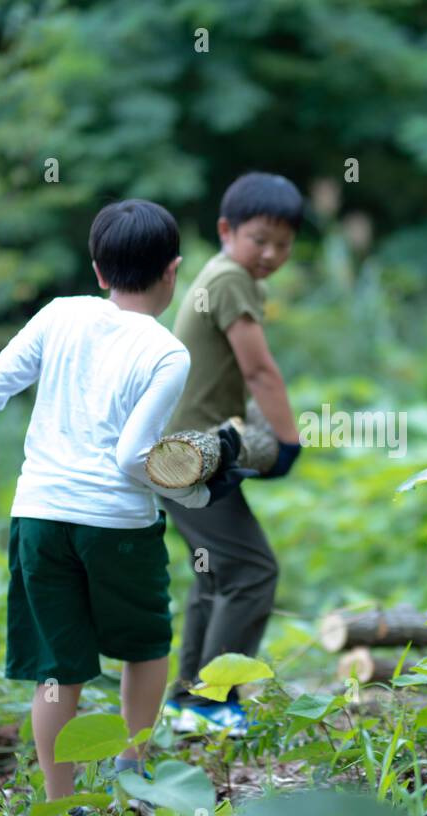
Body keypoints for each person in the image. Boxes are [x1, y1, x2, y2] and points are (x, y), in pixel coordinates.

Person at [0, 199, 250, 816]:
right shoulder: (166, 353)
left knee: (59, 670)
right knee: (145, 647)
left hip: (39, 519)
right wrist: (198, 490)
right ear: (173, 272)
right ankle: (134, 769)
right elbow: (133, 461)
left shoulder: (61, 316)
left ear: (97, 269)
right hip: (114, 526)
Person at [159, 172, 304, 735]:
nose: (271, 254)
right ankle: (211, 702)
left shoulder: (228, 276)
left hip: (187, 452)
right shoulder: (231, 280)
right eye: (260, 239)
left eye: (283, 244)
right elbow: (258, 369)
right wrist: (288, 441)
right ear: (226, 230)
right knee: (252, 570)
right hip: (192, 457)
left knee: (217, 574)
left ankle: (188, 699)